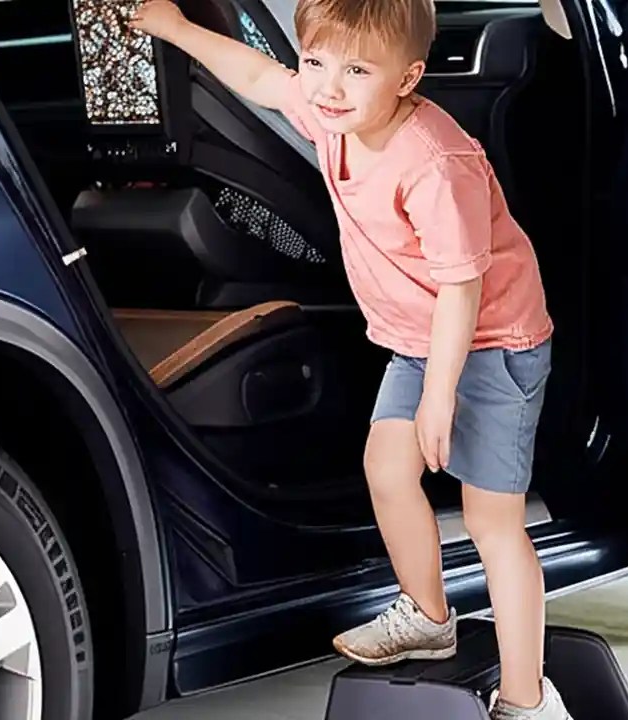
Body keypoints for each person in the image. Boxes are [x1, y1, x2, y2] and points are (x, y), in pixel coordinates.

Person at [129, 0, 565, 717]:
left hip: (491, 343)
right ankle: (428, 617)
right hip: (417, 340)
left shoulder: (433, 163)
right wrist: (177, 29)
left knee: (493, 524)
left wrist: (440, 394)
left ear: (408, 77)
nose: (328, 87)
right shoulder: (333, 113)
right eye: (316, 63)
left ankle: (526, 699)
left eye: (357, 70)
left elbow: (463, 288)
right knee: (385, 467)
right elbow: (259, 78)